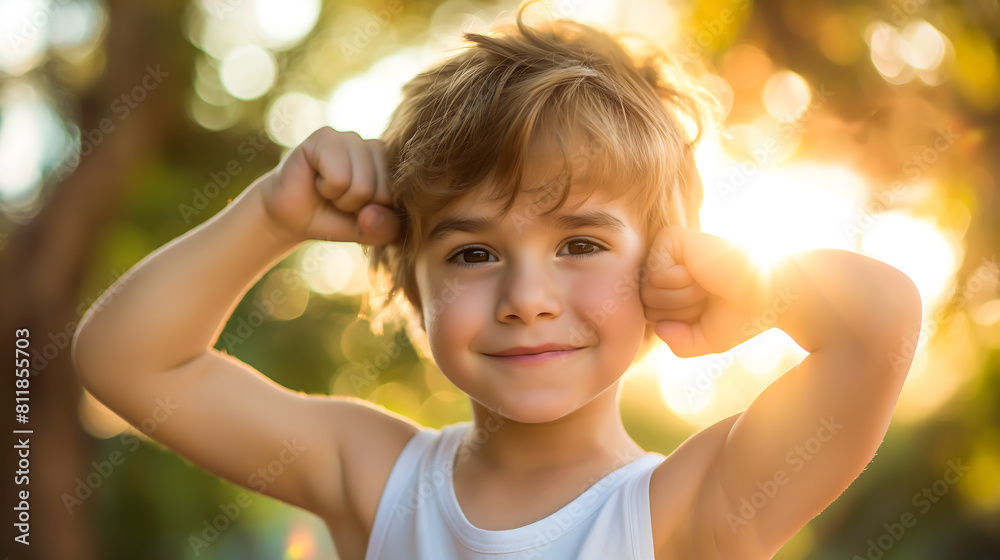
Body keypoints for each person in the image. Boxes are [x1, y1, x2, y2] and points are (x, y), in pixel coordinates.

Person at [71, 2, 923, 558]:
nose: (526, 297)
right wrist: (269, 215)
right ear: (412, 286)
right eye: (473, 254)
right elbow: (126, 360)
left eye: (582, 243)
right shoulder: (374, 477)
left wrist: (762, 290)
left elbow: (878, 328)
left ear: (666, 265)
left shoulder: (685, 512)